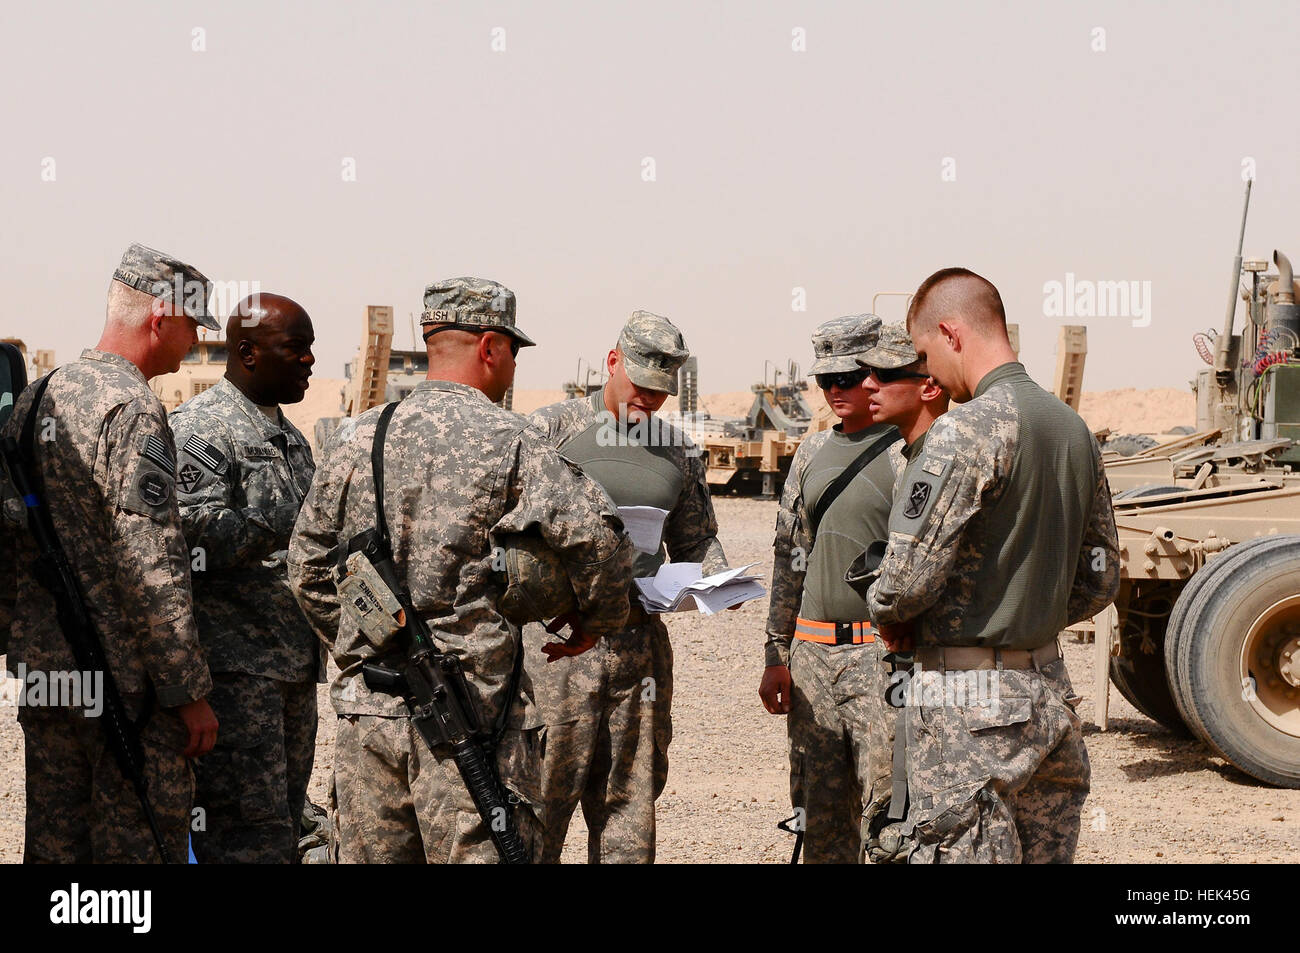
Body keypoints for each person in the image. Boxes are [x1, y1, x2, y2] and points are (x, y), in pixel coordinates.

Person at [287, 277, 633, 863]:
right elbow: (600, 539)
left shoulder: (357, 436)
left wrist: (366, 640)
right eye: (514, 352)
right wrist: (595, 621)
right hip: (471, 715)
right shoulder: (512, 440)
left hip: (368, 715)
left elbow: (308, 567)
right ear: (491, 347)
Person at [865, 267, 1120, 864]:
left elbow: (903, 585)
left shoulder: (964, 431)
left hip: (967, 705)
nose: (927, 373)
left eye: (926, 354)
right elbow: (1102, 576)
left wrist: (896, 615)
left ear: (951, 333)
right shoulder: (1073, 429)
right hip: (1050, 695)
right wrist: (1030, 607)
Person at [0, 242, 219, 862]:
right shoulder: (133, 410)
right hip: (124, 685)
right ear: (160, 317)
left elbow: (9, 543)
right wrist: (186, 689)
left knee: (54, 843)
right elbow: (152, 565)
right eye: (190, 327)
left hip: (47, 674)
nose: (194, 343)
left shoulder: (34, 401)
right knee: (137, 852)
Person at [525, 310, 727, 864]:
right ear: (612, 362)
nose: (648, 403)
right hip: (555, 649)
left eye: (661, 395)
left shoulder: (678, 450)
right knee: (538, 807)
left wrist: (717, 582)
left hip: (639, 650)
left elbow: (696, 539)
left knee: (629, 815)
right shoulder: (546, 432)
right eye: (640, 388)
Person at [170, 293, 320, 864]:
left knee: (283, 826)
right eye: (296, 349)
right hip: (234, 673)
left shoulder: (290, 437)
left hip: (290, 670)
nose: (309, 361)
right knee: (239, 837)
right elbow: (194, 532)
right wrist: (296, 520)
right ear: (247, 352)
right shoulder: (200, 430)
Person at [760, 314, 905, 863]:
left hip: (881, 656)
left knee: (891, 815)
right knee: (818, 818)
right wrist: (777, 654)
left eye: (847, 377)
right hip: (812, 656)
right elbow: (788, 557)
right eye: (826, 381)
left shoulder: (909, 452)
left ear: (875, 374)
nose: (836, 391)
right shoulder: (810, 453)